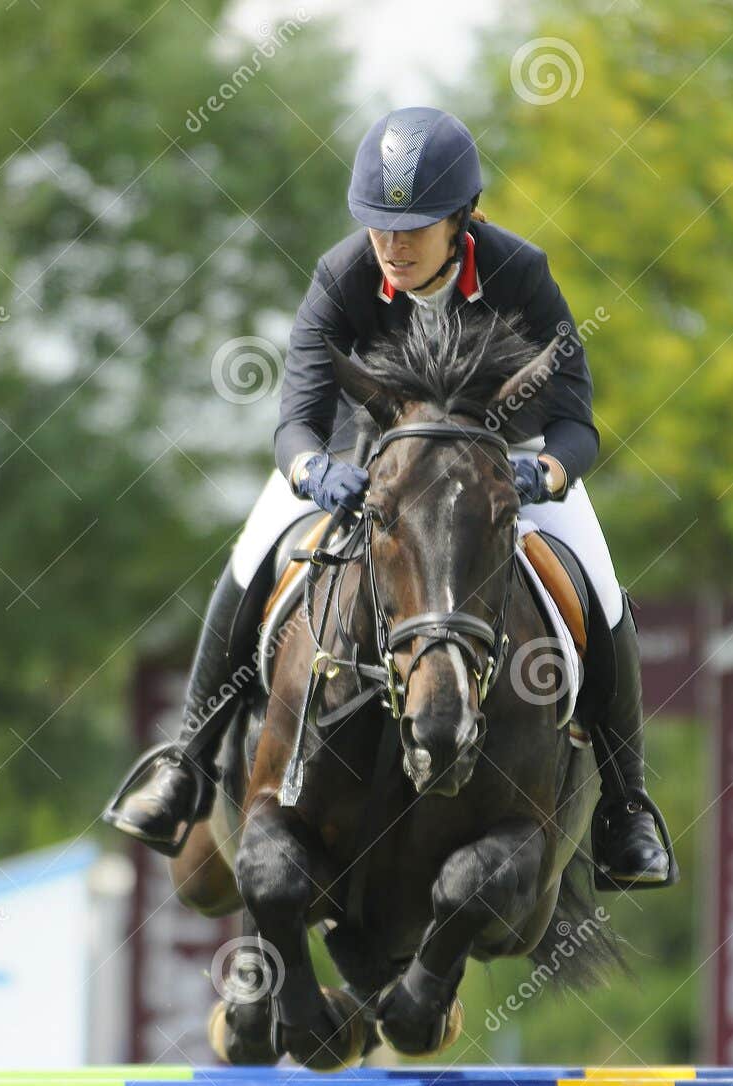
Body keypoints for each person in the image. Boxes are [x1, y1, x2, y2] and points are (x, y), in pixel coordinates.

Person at [104, 107, 674, 888]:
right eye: (379, 226)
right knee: (252, 553)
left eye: (414, 228)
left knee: (601, 589)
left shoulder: (520, 272)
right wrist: (313, 473)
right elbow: (295, 423)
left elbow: (577, 423)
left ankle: (627, 810)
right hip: (361, 462)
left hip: (500, 470)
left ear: (462, 219)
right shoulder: (342, 275)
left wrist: (547, 474)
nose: (393, 247)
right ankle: (187, 764)